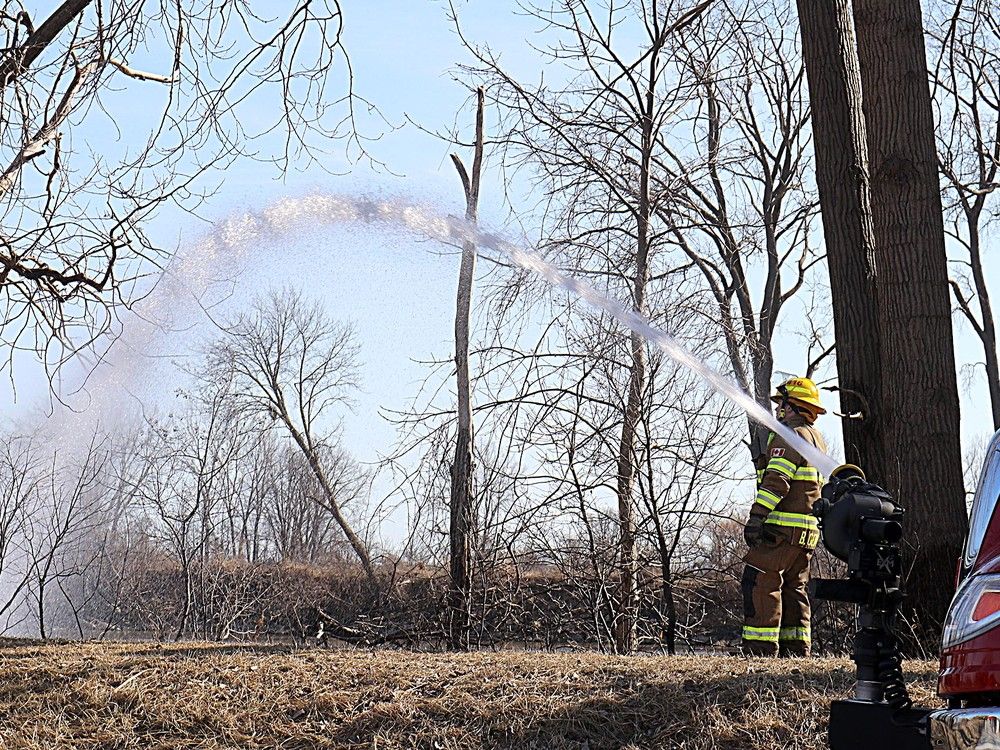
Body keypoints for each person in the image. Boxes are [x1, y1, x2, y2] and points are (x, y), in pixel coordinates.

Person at [741, 377, 828, 657]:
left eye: (782, 405)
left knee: (760, 582)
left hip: (780, 531)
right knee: (795, 589)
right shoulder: (816, 439)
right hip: (806, 534)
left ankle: (760, 649)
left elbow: (778, 481)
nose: (779, 410)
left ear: (793, 407)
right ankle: (796, 649)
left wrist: (757, 517)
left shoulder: (790, 437)